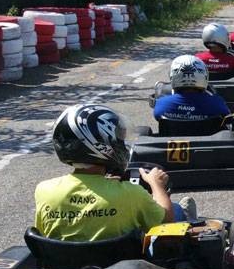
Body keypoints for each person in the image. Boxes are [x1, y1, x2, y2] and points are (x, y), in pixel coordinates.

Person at [36, 104, 195, 242]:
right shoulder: (131, 194)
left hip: (62, 267)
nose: (121, 145)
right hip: (124, 268)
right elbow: (166, 224)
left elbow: (44, 233)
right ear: (102, 146)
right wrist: (157, 185)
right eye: (118, 140)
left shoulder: (44, 191)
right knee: (175, 210)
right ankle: (187, 215)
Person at [153, 55, 231, 124]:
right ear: (203, 75)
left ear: (173, 76)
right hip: (208, 139)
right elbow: (227, 117)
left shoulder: (162, 103)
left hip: (173, 139)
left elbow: (157, 117)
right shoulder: (216, 103)